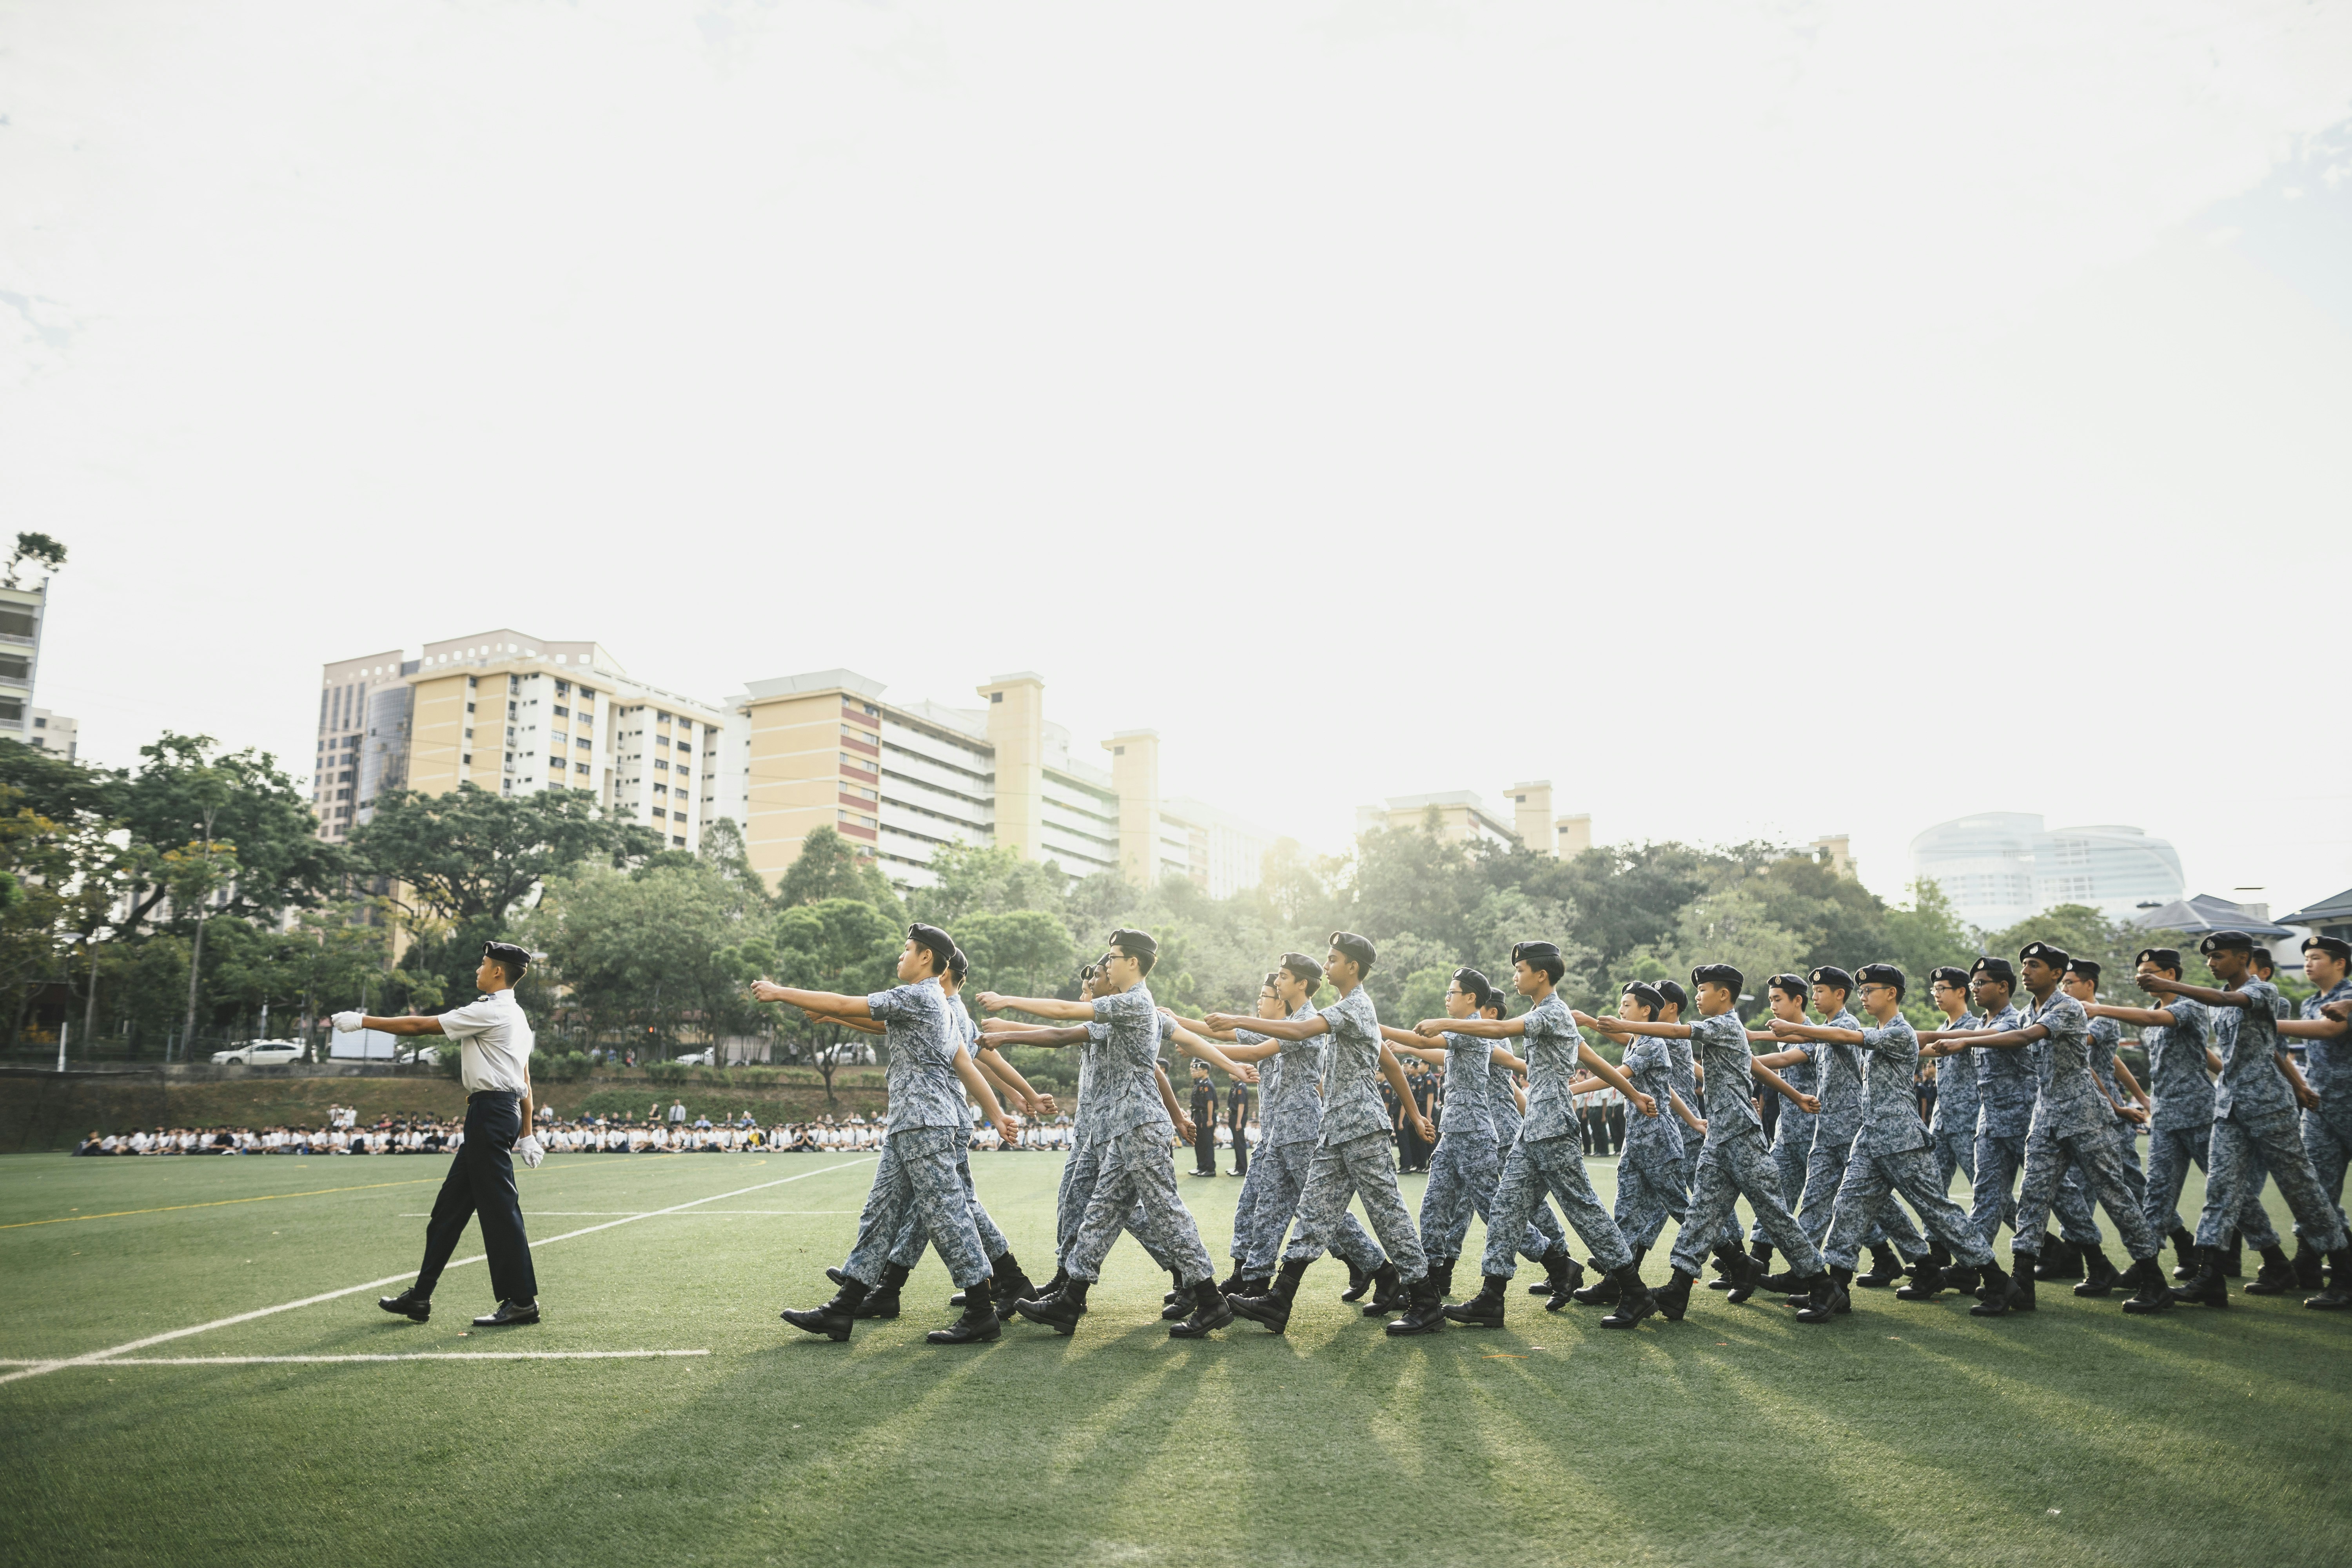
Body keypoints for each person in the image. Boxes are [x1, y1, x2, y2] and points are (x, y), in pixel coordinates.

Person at [764, 923, 1021, 1346]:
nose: (901, 956)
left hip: (926, 1122)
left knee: (947, 1216)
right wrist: (997, 1114)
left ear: (926, 957)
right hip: (910, 1122)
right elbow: (963, 1062)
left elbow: (846, 1002)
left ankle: (980, 1312)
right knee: (880, 1212)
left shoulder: (919, 995)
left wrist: (780, 992)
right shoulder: (937, 1003)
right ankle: (844, 1307)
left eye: (907, 949)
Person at [978, 929, 1235, 1339]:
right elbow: (1070, 1020)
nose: (1108, 964)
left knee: (1166, 1212)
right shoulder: (1128, 1004)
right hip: (1123, 1127)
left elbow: (1064, 1017)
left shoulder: (1135, 1002)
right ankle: (1070, 1299)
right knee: (1101, 1211)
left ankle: (1209, 1299)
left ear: (1133, 962)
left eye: (1113, 957)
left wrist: (1008, 1011)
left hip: (1140, 1125)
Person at [1209, 933, 1442, 1336]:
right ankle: (1279, 1300)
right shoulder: (1347, 1010)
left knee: (1388, 1214)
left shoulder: (1355, 1006)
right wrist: (1416, 1113)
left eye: (1333, 959)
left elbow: (1300, 1032)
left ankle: (1425, 1301)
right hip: (1335, 1131)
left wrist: (1238, 1020)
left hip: (1363, 1129)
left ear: (1352, 966)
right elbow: (1390, 1062)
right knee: (1313, 1215)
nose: (1327, 965)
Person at [1923, 943, 2171, 1316]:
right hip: (2045, 1116)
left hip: (2083, 1116)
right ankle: (2022, 1285)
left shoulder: (2067, 1008)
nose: (2026, 971)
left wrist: (1965, 1040)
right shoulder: (2027, 1013)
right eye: (2024, 965)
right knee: (2033, 1200)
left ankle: (2153, 1279)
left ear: (2056, 974)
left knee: (2114, 1194)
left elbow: (2025, 1039)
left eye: (2034, 965)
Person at [1426, 940, 1661, 1332]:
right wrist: (1634, 1094)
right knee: (1506, 1208)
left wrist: (1445, 1023)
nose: (1515, 976)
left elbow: (1501, 1028)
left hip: (1553, 1129)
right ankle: (1492, 1297)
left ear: (1541, 975)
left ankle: (1635, 1291)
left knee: (1583, 1209)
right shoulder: (1549, 1013)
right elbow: (1594, 1059)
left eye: (1521, 970)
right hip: (1533, 1129)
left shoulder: (1553, 1012)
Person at [1769, 963, 2017, 1320]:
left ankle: (1997, 1281)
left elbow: (1849, 1038)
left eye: (1870, 990)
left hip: (1902, 1140)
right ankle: (1836, 1289)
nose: (1864, 996)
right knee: (1848, 1207)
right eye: (1862, 991)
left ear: (1891, 994)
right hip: (1871, 1138)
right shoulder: (1881, 1030)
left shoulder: (1900, 1032)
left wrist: (1796, 1027)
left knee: (1938, 1212)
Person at [1598, 962, 1831, 1322]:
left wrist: (1626, 1026)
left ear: (1724, 995)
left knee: (1773, 1214)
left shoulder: (1723, 1025)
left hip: (1741, 1137)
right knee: (1701, 1215)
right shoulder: (1726, 1029)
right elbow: (1754, 1066)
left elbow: (1677, 1032)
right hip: (1720, 1137)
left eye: (1703, 990)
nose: (1697, 997)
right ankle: (1679, 1288)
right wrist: (1797, 1095)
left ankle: (1822, 1284)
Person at [2138, 931, 2351, 1309]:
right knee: (2220, 1190)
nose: (2211, 963)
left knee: (2302, 1189)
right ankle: (2211, 1276)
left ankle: (2344, 1272)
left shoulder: (2263, 992)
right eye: (2209, 958)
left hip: (2269, 1106)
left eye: (2219, 956)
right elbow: (2267, 1048)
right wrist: (2299, 1084)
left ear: (2242, 958)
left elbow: (2228, 1002)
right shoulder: (2219, 1001)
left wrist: (2172, 986)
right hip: (2230, 1107)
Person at [352, 941, 546, 1328]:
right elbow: (525, 1079)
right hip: (495, 1113)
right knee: (449, 1211)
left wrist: (362, 1021)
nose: (478, 968)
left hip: (491, 1112)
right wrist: (527, 1132)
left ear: (498, 972)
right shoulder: (517, 1016)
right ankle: (420, 1297)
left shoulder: (490, 1010)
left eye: (484, 963)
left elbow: (419, 1026)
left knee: (500, 1210)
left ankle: (523, 1302)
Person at [1377, 967, 1583, 1312]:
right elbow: (1430, 1047)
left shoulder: (1471, 1029)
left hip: (1474, 1131)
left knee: (1494, 1210)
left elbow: (1424, 1042)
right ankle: (1428, 1285)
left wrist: (1373, 1026)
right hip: (1454, 1131)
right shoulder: (1463, 1029)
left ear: (1471, 998)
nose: (1447, 998)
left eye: (1452, 992)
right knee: (1434, 1208)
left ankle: (1559, 1264)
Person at [2277, 935, 2352, 1296]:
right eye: (2306, 957)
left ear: (2340, 963)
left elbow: (2329, 1029)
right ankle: (2313, 1261)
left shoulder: (2349, 997)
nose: (2308, 963)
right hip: (2321, 1108)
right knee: (2315, 1192)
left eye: (2316, 957)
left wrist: (2267, 1023)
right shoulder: (2309, 1003)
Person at [1189, 1063, 1219, 1177]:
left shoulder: (1208, 1085)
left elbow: (1210, 1102)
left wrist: (1210, 1119)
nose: (1198, 1072)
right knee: (1200, 1142)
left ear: (1206, 1071)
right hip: (1199, 1114)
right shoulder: (1201, 1084)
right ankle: (1202, 1166)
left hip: (1206, 1115)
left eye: (1200, 1070)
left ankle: (1210, 1168)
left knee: (1207, 1143)